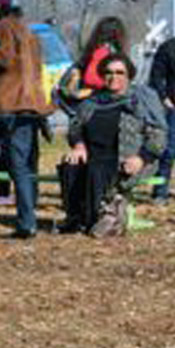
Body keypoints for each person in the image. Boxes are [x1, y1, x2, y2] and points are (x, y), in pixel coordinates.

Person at [0, 0, 51, 239]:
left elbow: (5, 61)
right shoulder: (29, 31)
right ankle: (27, 222)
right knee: (22, 165)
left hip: (7, 105)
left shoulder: (2, 27)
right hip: (30, 106)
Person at [64, 54, 166, 236]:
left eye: (120, 72)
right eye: (108, 72)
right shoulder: (93, 101)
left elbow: (158, 135)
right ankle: (77, 217)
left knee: (100, 168)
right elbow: (75, 127)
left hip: (130, 156)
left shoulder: (142, 98)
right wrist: (78, 145)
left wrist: (141, 158)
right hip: (94, 154)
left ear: (129, 75)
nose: (114, 76)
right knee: (72, 164)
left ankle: (107, 215)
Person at [55, 17, 126, 231]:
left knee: (93, 163)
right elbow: (100, 81)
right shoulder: (109, 52)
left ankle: (82, 215)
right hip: (99, 108)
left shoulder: (89, 53)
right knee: (81, 163)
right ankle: (84, 215)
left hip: (90, 113)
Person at [150, 35, 175, 203]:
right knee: (169, 151)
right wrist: (164, 98)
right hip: (173, 107)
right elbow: (156, 77)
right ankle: (159, 192)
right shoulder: (168, 48)